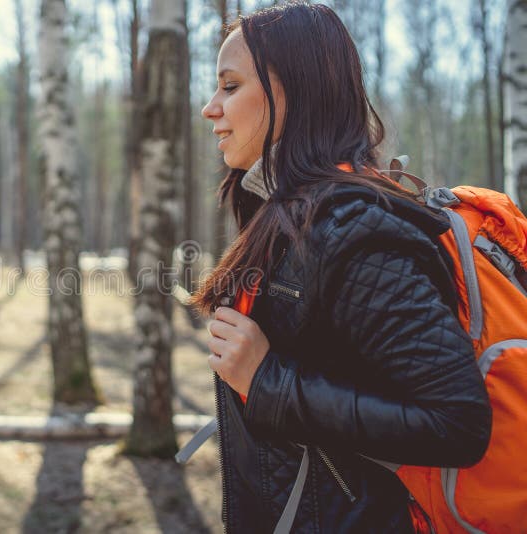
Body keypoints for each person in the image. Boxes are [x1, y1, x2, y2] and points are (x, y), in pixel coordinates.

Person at [190, 3, 492, 532]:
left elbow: (457, 422)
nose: (209, 108)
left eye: (231, 87)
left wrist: (268, 382)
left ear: (296, 93)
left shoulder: (354, 231)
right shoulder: (290, 217)